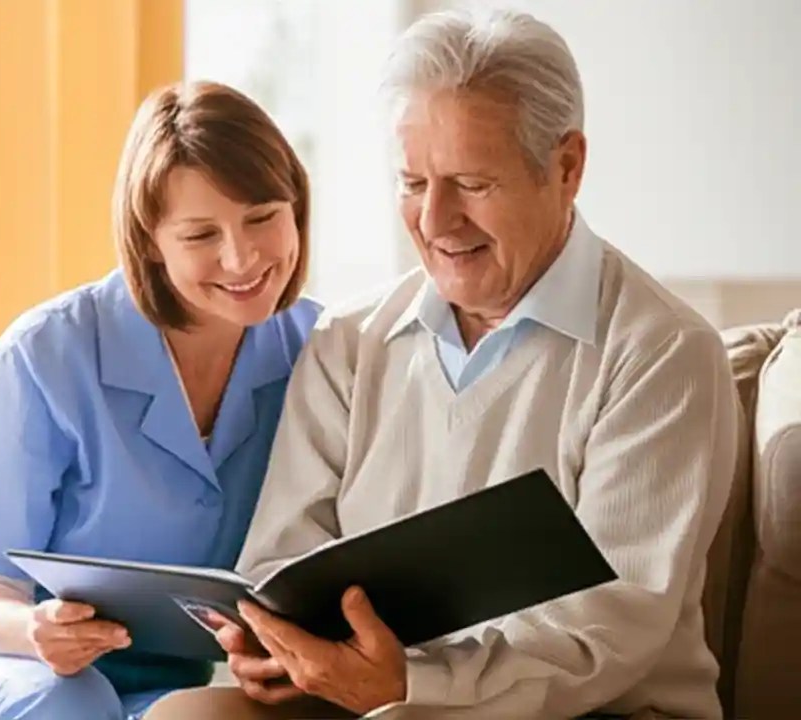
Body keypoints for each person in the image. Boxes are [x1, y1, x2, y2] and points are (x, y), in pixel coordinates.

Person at [144, 7, 736, 720]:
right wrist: (274, 643)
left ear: (567, 166)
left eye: (472, 184)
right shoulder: (350, 340)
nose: (435, 220)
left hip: (586, 711)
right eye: (414, 184)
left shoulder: (662, 352)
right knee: (188, 714)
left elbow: (607, 631)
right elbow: (281, 557)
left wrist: (412, 689)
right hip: (357, 701)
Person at [0, 80, 322, 720]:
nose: (241, 257)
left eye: (262, 217)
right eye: (201, 235)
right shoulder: (46, 354)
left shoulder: (315, 349)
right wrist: (36, 629)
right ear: (150, 241)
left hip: (163, 687)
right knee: (70, 698)